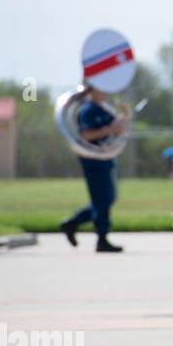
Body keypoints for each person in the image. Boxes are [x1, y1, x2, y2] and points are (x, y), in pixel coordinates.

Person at [59, 87, 125, 253]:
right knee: (101, 199)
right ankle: (101, 239)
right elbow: (86, 135)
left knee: (108, 198)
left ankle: (73, 223)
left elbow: (116, 130)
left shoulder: (103, 110)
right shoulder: (87, 110)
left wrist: (123, 118)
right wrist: (110, 129)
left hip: (105, 157)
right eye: (102, 89)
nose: (106, 93)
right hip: (92, 160)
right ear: (92, 91)